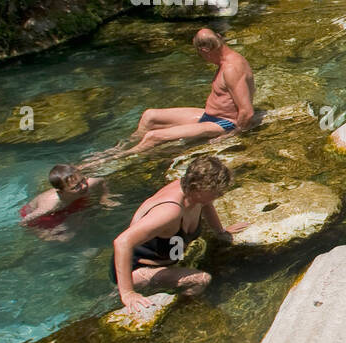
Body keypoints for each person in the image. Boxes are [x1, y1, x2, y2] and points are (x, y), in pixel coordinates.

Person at [111, 155, 247, 316]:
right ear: (199, 188)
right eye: (217, 192)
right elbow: (122, 242)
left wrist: (220, 231)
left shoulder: (194, 195)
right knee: (201, 279)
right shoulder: (170, 211)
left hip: (165, 262)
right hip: (138, 271)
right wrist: (127, 293)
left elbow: (207, 205)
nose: (221, 195)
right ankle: (180, 314)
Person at [120, 30, 255, 155]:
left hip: (224, 123)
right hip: (210, 116)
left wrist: (232, 135)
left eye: (200, 54)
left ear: (205, 50)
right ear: (219, 37)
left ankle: (117, 159)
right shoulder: (225, 62)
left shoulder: (232, 69)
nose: (202, 57)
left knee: (154, 137)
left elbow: (247, 112)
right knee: (150, 116)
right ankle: (119, 148)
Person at [20, 164, 119, 241]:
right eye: (75, 187)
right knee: (66, 237)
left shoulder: (89, 184)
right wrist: (42, 234)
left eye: (83, 180)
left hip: (70, 202)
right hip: (43, 215)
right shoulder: (51, 205)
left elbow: (102, 181)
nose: (84, 186)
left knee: (85, 217)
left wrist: (105, 197)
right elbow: (25, 221)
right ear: (61, 191)